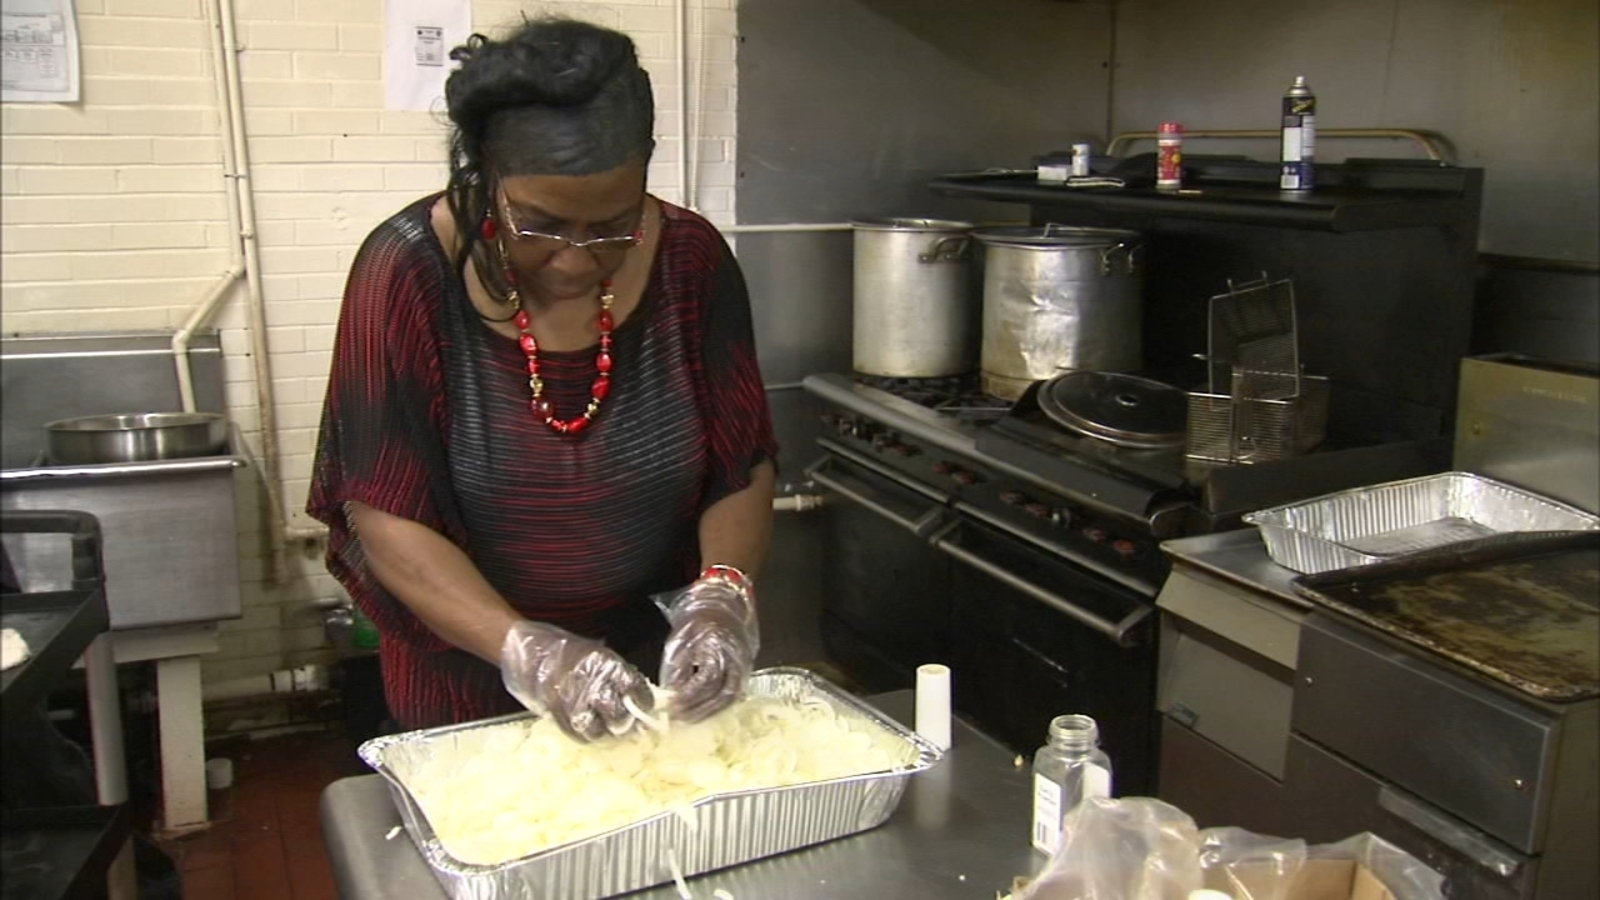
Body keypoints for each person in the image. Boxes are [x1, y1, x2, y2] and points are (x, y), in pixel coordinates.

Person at [306, 17, 778, 742]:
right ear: (484, 177)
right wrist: (527, 649)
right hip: (468, 677)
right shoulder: (405, 273)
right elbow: (384, 513)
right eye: (541, 225)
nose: (577, 260)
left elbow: (739, 465)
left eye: (613, 226)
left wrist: (721, 596)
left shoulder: (693, 261)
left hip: (656, 672)